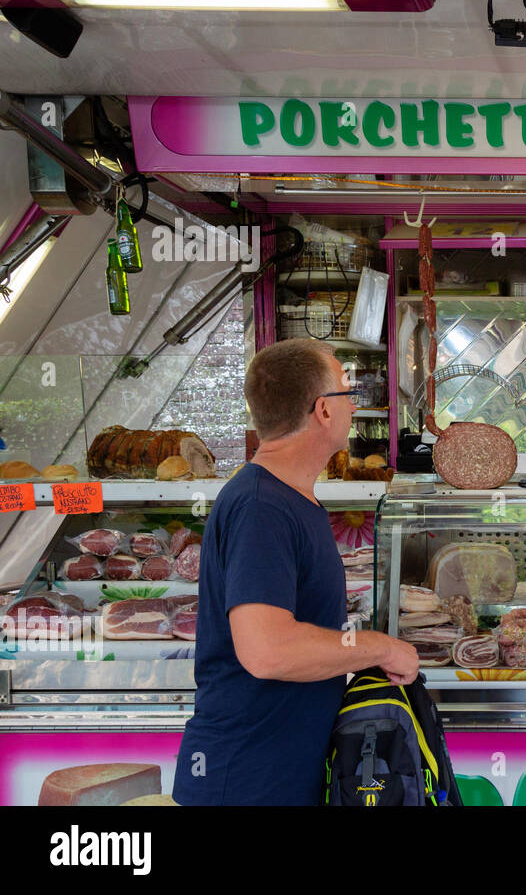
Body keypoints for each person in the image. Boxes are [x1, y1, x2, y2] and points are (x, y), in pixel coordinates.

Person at [172, 339, 419, 806]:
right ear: (324, 410)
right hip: (245, 782)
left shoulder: (289, 497)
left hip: (277, 775)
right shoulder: (261, 507)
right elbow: (268, 650)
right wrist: (379, 647)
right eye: (350, 394)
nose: (354, 407)